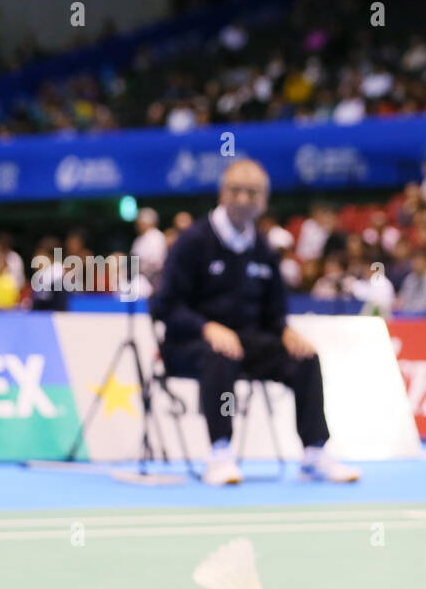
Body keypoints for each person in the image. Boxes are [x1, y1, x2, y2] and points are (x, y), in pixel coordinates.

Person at [150, 159, 360, 486]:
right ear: (222, 193)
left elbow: (274, 314)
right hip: (188, 344)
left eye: (253, 193)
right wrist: (208, 328)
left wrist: (287, 331)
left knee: (305, 357)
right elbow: (165, 306)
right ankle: (220, 453)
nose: (244, 199)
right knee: (221, 354)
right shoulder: (193, 242)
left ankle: (314, 453)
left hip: (246, 342)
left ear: (264, 200)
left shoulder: (263, 248)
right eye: (237, 190)